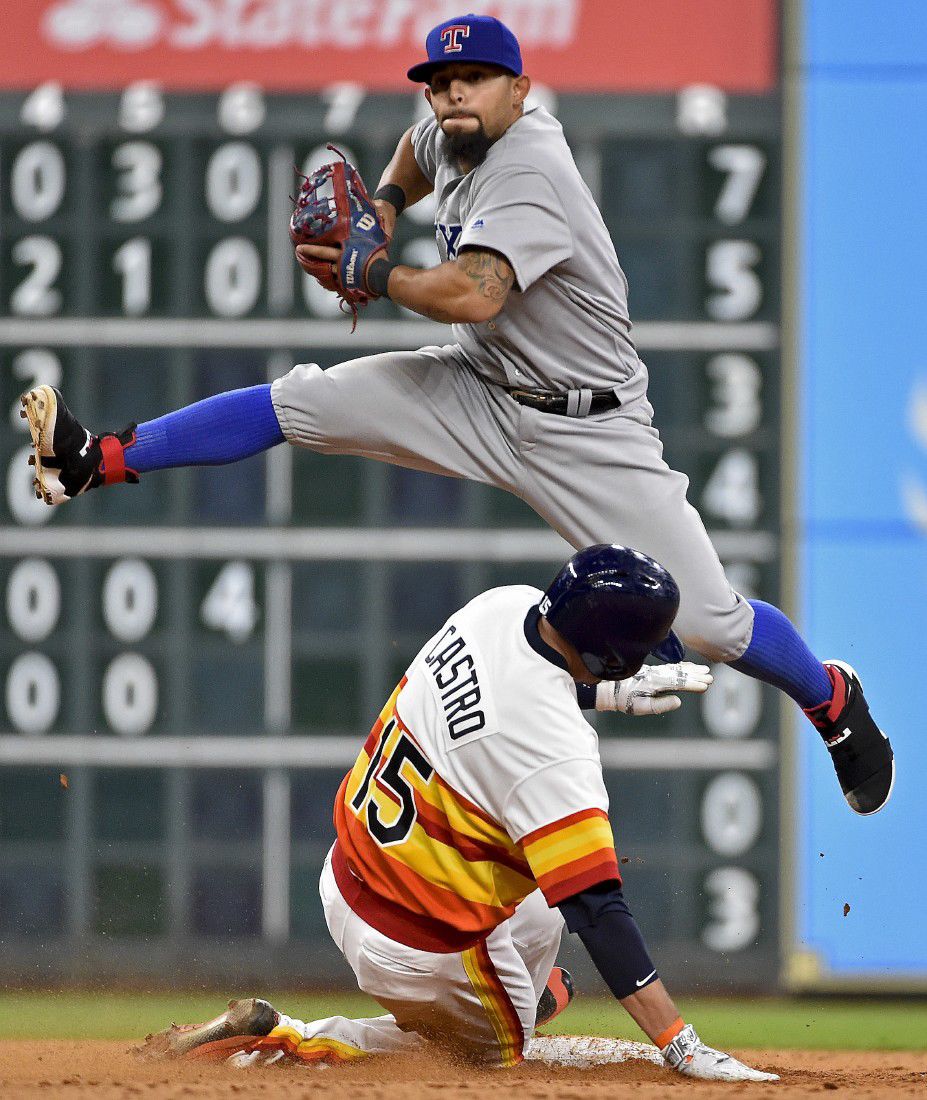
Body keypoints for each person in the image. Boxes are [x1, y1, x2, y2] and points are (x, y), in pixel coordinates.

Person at [19, 13, 892, 816]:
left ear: (520, 89)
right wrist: (387, 208)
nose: (452, 95)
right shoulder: (448, 133)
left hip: (586, 428)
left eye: (473, 78)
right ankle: (100, 457)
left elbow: (473, 294)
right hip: (478, 387)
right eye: (440, 81)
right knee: (305, 400)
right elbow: (410, 150)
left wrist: (373, 270)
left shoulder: (530, 169)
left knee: (708, 624)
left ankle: (829, 695)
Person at [145, 544, 775, 1082]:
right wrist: (678, 1042)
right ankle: (280, 1042)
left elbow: (514, 689)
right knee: (487, 1061)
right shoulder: (555, 755)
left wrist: (596, 689)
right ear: (612, 655)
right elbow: (600, 912)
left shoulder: (500, 605)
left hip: (350, 872)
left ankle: (518, 1000)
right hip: (417, 946)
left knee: (536, 897)